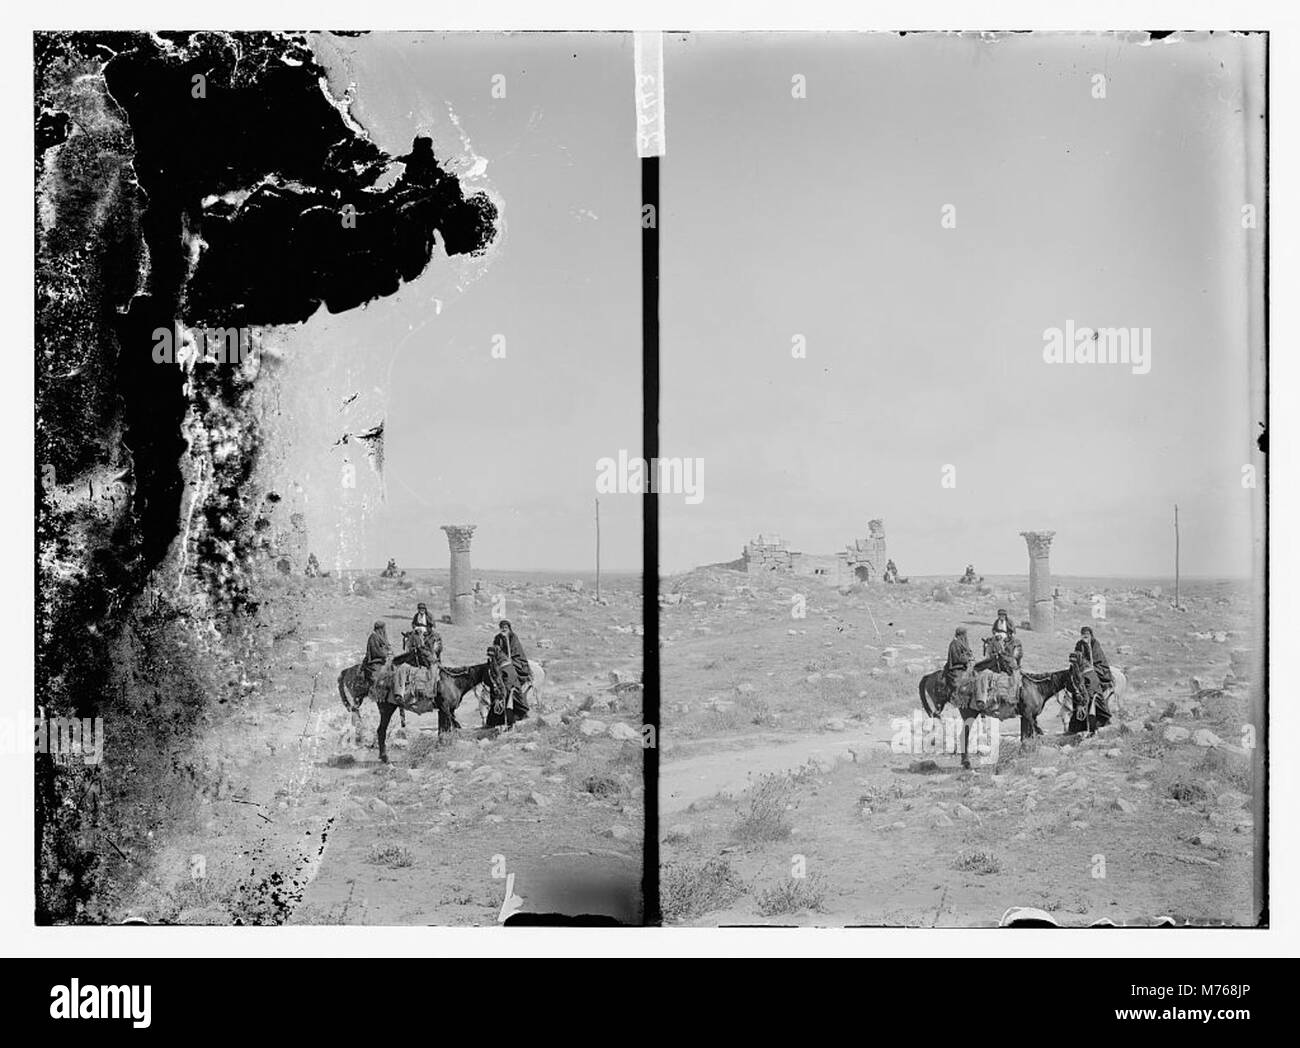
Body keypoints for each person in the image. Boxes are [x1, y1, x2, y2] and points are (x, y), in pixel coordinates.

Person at [944, 626, 973, 699]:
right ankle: (956, 697)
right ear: (960, 635)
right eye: (964, 635)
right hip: (955, 667)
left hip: (963, 666)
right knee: (959, 683)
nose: (965, 637)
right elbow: (956, 658)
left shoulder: (961, 643)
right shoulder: (954, 644)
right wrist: (967, 659)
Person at [362, 620, 391, 690]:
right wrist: (386, 654)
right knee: (377, 677)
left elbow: (387, 646)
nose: (384, 631)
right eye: (383, 629)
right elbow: (375, 651)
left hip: (383, 659)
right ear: (379, 629)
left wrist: (390, 652)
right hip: (374, 661)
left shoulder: (381, 637)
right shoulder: (373, 637)